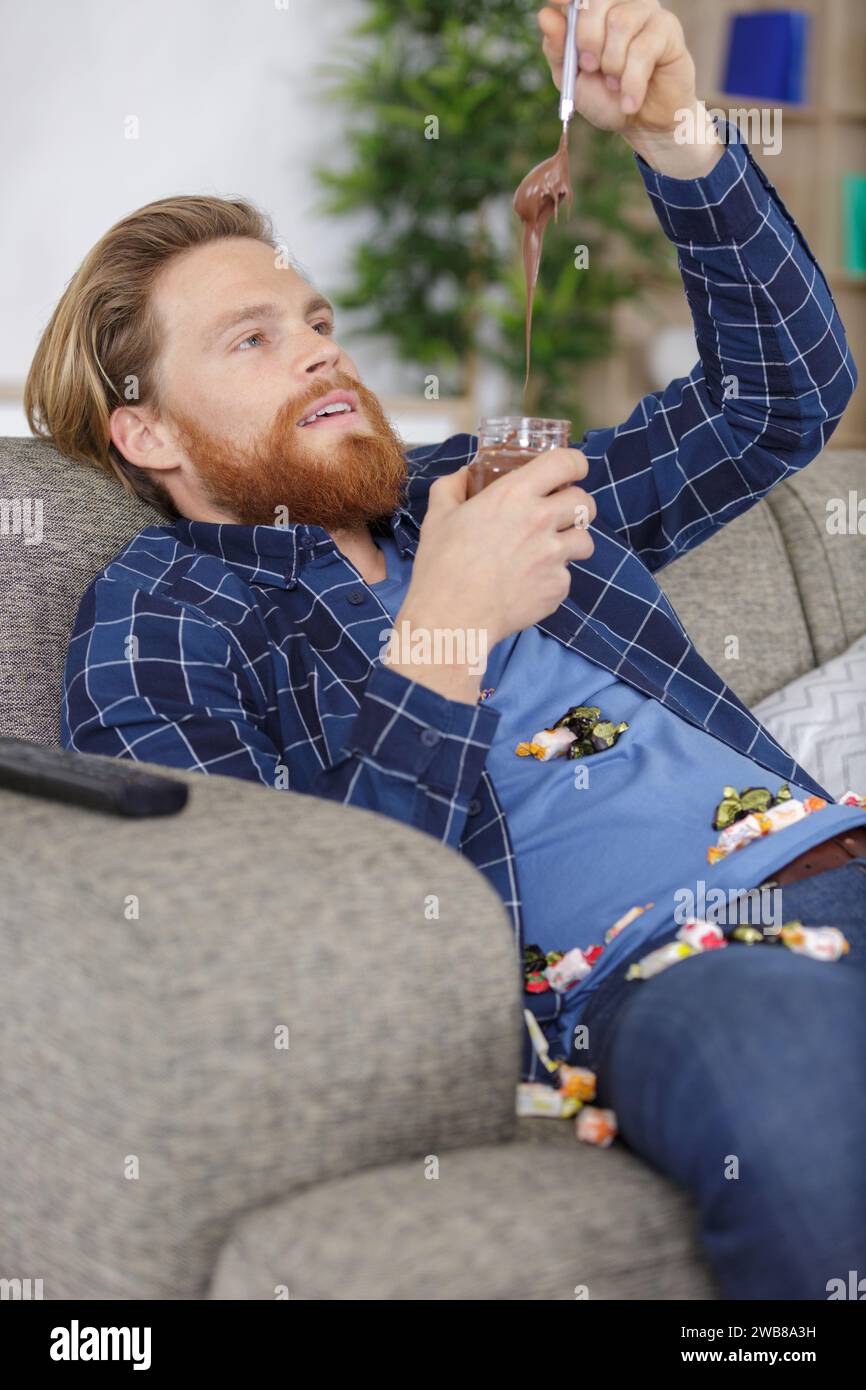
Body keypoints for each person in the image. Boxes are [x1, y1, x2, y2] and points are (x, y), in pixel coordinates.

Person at [27, 1, 864, 1299]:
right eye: (252, 339)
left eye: (312, 319)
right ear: (149, 436)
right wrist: (441, 638)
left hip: (840, 846)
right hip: (678, 968)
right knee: (794, 1097)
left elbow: (781, 401)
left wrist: (677, 139)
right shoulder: (165, 621)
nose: (318, 349)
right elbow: (290, 945)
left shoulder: (467, 485)